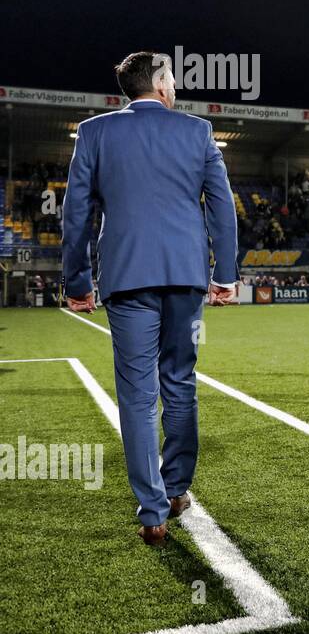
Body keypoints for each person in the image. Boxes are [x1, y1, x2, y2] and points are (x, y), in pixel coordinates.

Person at [62, 51, 239, 546]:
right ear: (161, 85)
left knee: (138, 396)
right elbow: (222, 206)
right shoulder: (197, 132)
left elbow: (76, 214)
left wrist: (77, 282)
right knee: (179, 380)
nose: (177, 87)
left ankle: (152, 512)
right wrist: (224, 273)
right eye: (174, 79)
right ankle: (178, 487)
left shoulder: (94, 132)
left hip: (126, 277)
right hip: (184, 276)